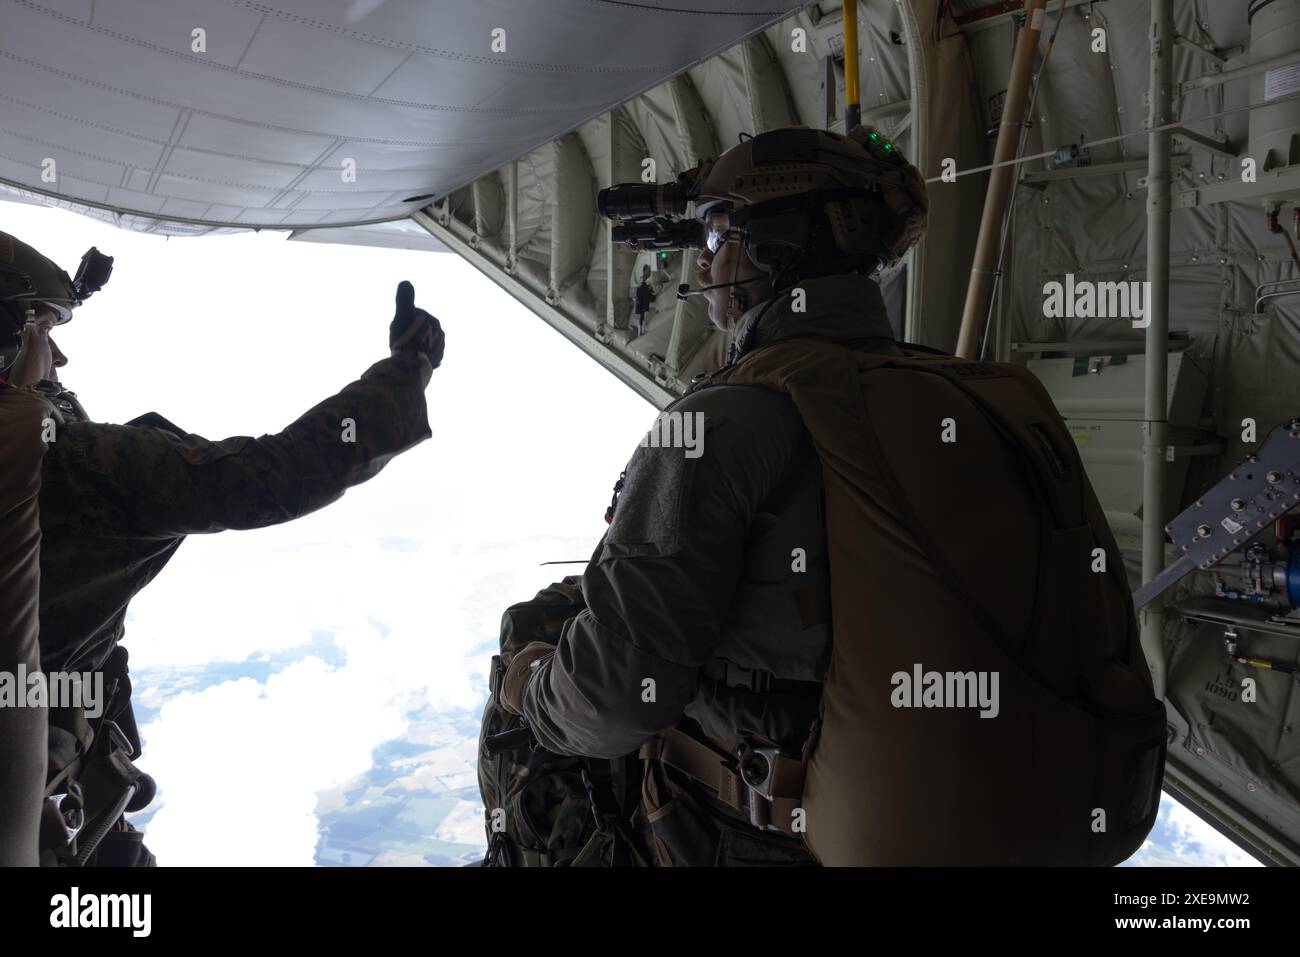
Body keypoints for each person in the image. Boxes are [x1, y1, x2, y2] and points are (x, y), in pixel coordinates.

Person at [497, 126, 927, 865]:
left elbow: (611, 700)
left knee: (528, 644)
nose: (704, 257)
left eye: (720, 231)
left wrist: (527, 687)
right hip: (923, 784)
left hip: (768, 831)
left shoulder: (716, 425)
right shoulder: (946, 393)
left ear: (774, 246)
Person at [0, 230, 445, 865]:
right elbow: (271, 475)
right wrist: (409, 370)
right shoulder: (55, 464)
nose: (61, 357)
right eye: (44, 327)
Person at [632, 265, 656, 336]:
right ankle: (640, 331)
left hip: (640, 307)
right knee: (640, 318)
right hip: (641, 307)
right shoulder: (645, 288)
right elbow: (652, 299)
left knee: (640, 318)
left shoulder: (639, 288)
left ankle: (640, 331)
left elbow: (633, 296)